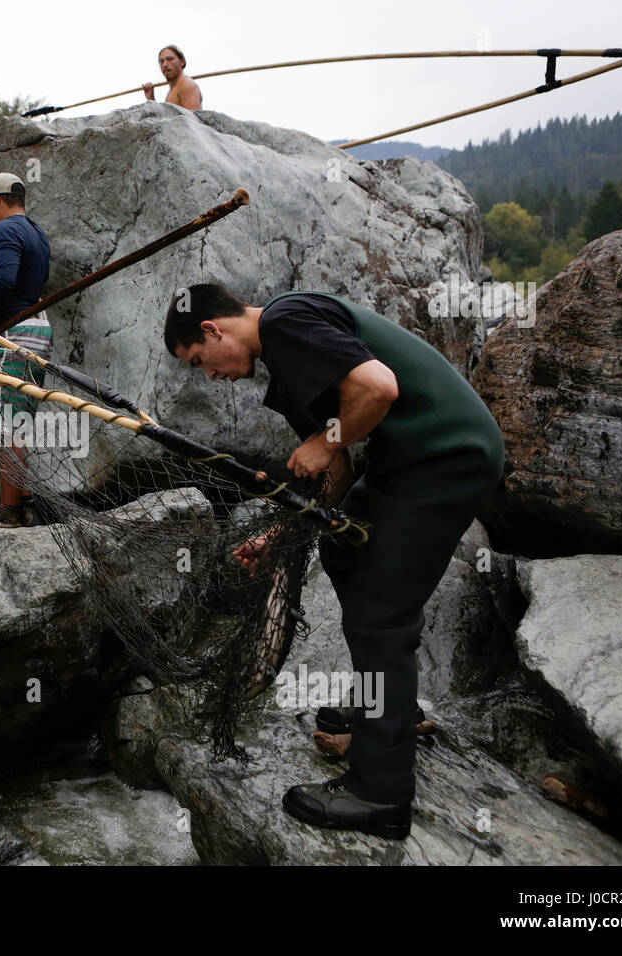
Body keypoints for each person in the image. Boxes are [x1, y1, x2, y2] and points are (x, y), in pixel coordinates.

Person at [163, 284, 504, 840]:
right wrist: (279, 533)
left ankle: (380, 794)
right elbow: (339, 476)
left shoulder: (286, 321)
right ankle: (386, 711)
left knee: (381, 615)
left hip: (448, 456)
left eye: (200, 362)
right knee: (343, 547)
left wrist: (325, 441)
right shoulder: (286, 366)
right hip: (407, 462)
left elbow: (377, 387)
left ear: (212, 330)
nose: (210, 376)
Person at [0, 173, 52, 530]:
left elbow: (2, 281)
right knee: (17, 424)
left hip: (7, 337)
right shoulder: (37, 233)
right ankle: (24, 503)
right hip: (35, 332)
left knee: (6, 428)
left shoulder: (4, 231)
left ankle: (9, 515)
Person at [143, 45, 203, 109]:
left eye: (170, 59)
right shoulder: (171, 91)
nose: (165, 64)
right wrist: (151, 100)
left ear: (182, 62)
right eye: (162, 61)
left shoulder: (186, 85)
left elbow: (193, 118)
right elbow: (167, 117)